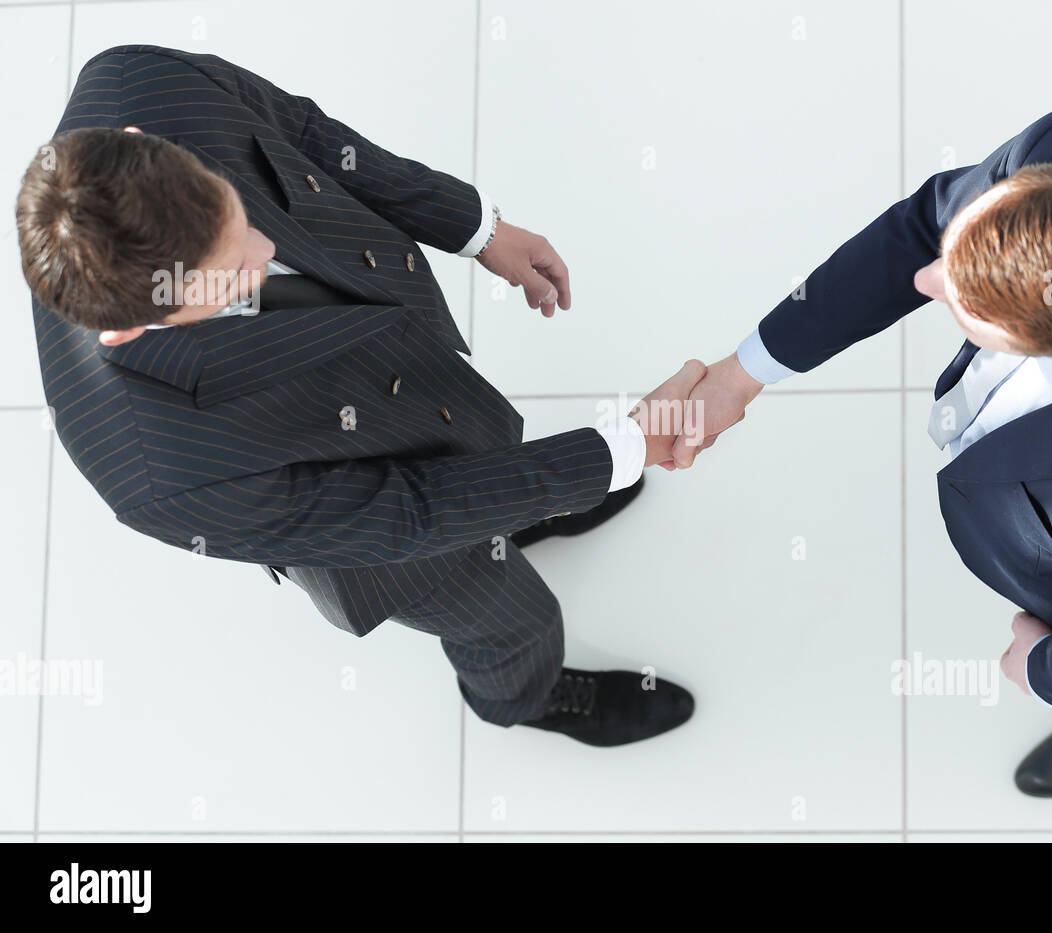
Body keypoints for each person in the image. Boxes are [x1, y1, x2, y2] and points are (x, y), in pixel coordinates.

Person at [16, 45, 701, 747]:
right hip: (387, 529)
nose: (262, 256)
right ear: (129, 328)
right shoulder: (157, 474)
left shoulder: (137, 80)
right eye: (227, 281)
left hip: (405, 361)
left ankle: (532, 507)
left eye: (236, 217)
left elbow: (307, 134)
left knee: (489, 449)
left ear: (143, 141)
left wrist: (477, 228)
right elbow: (413, 510)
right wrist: (619, 449)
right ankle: (528, 695)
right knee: (519, 619)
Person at [672, 98, 1052, 796]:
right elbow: (922, 224)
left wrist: (1044, 671)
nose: (926, 279)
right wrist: (742, 376)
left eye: (965, 304)